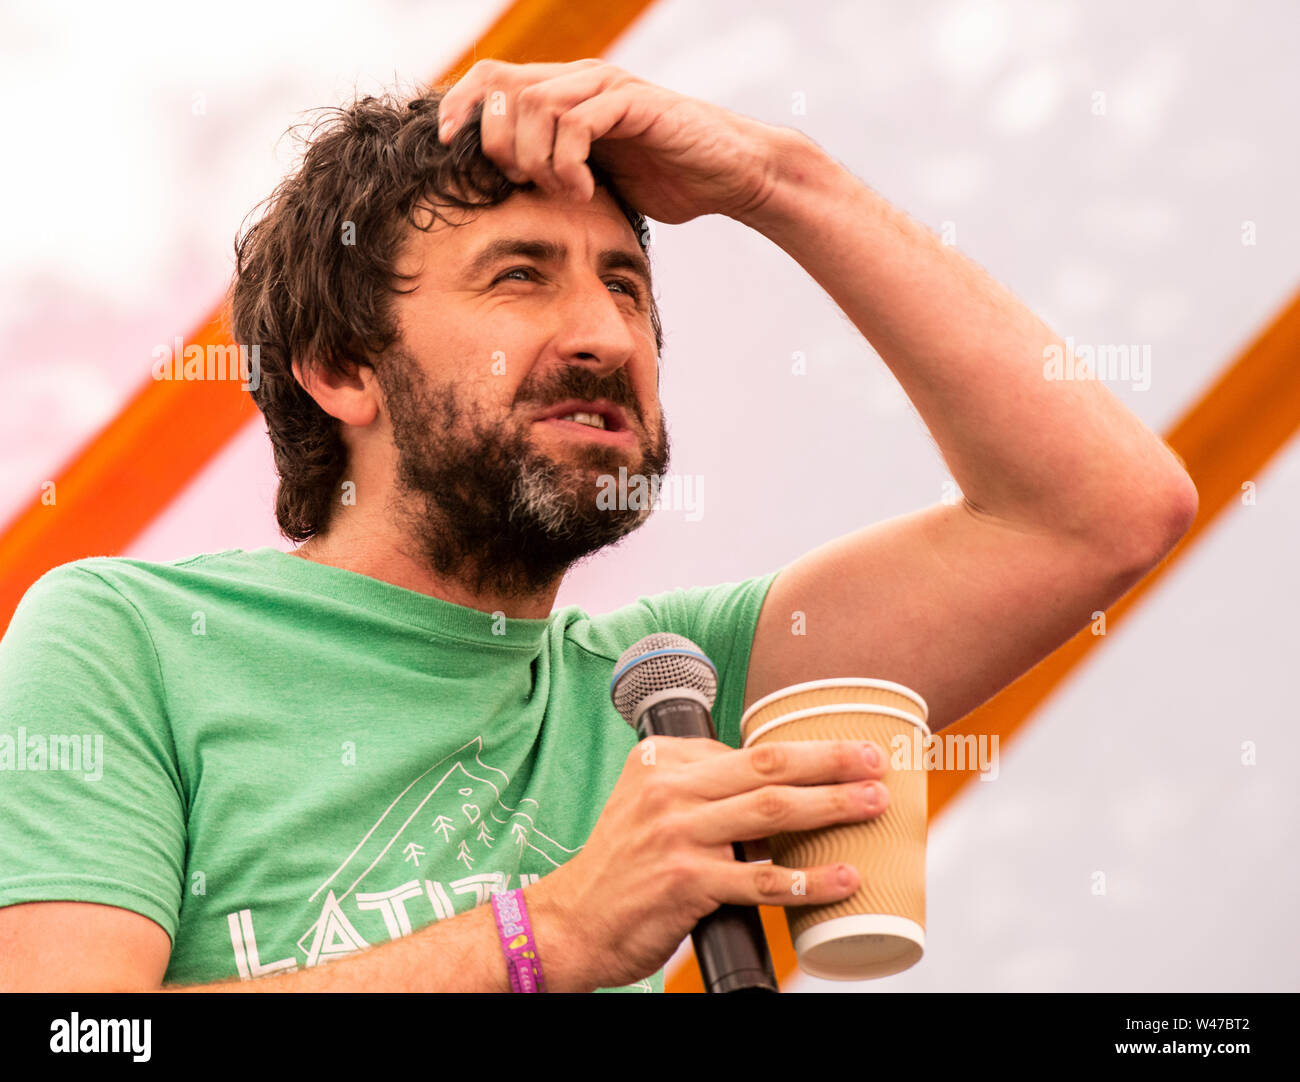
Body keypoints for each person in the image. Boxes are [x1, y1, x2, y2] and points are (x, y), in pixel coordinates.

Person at [0, 59, 1197, 993]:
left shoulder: (665, 690)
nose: (607, 336)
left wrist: (782, 180)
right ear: (337, 368)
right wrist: (549, 933)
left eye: (624, 284)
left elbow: (1099, 513)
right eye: (519, 276)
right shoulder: (130, 635)